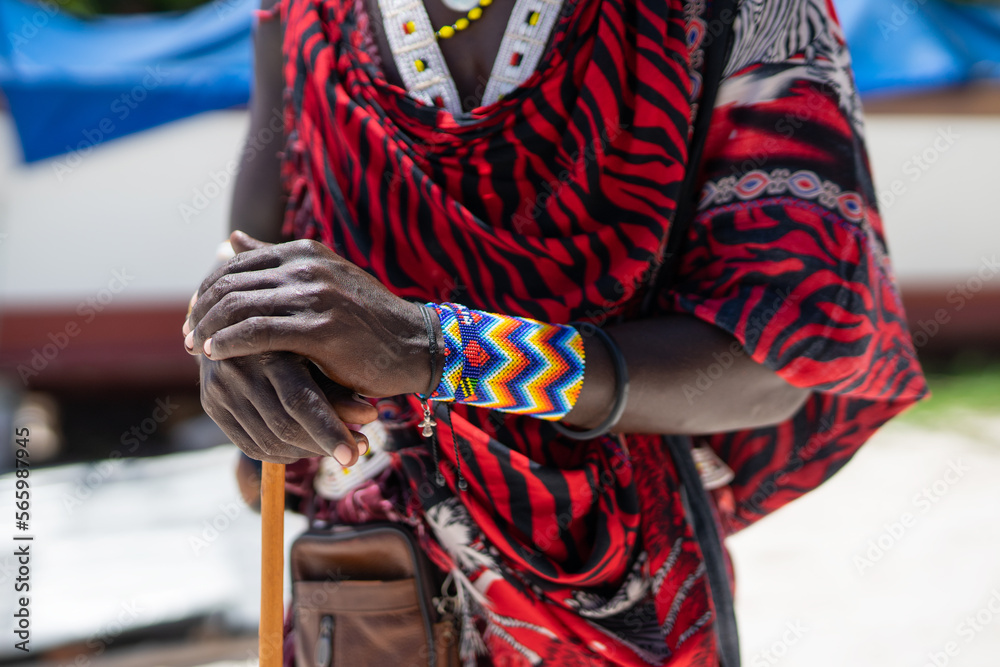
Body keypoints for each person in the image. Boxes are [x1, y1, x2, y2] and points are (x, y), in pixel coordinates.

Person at [184, 0, 929, 663]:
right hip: (369, 594)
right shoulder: (301, 13)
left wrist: (442, 350)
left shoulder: (741, 12)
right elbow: (257, 265)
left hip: (613, 600)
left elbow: (771, 364)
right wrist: (232, 347)